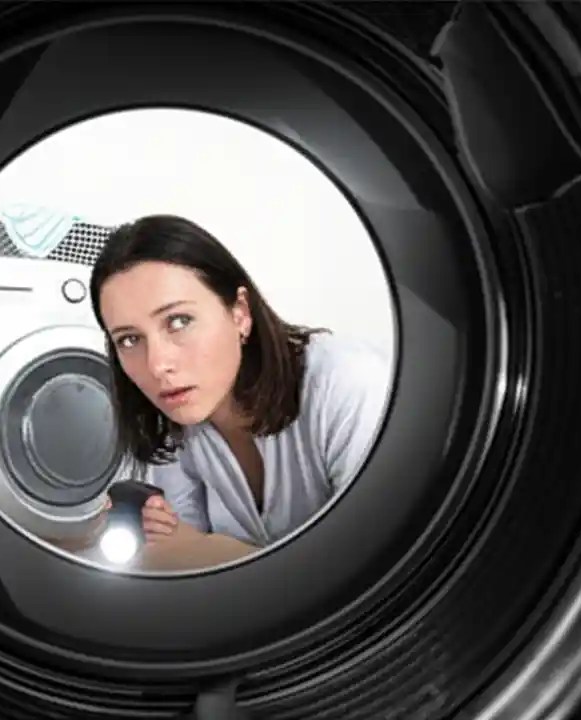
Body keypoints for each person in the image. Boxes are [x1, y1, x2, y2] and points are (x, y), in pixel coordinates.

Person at [84, 214, 392, 571]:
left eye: (179, 321)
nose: (157, 365)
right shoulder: (176, 427)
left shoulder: (349, 384)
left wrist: (213, 552)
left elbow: (378, 570)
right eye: (129, 339)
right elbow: (181, 559)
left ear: (240, 313)